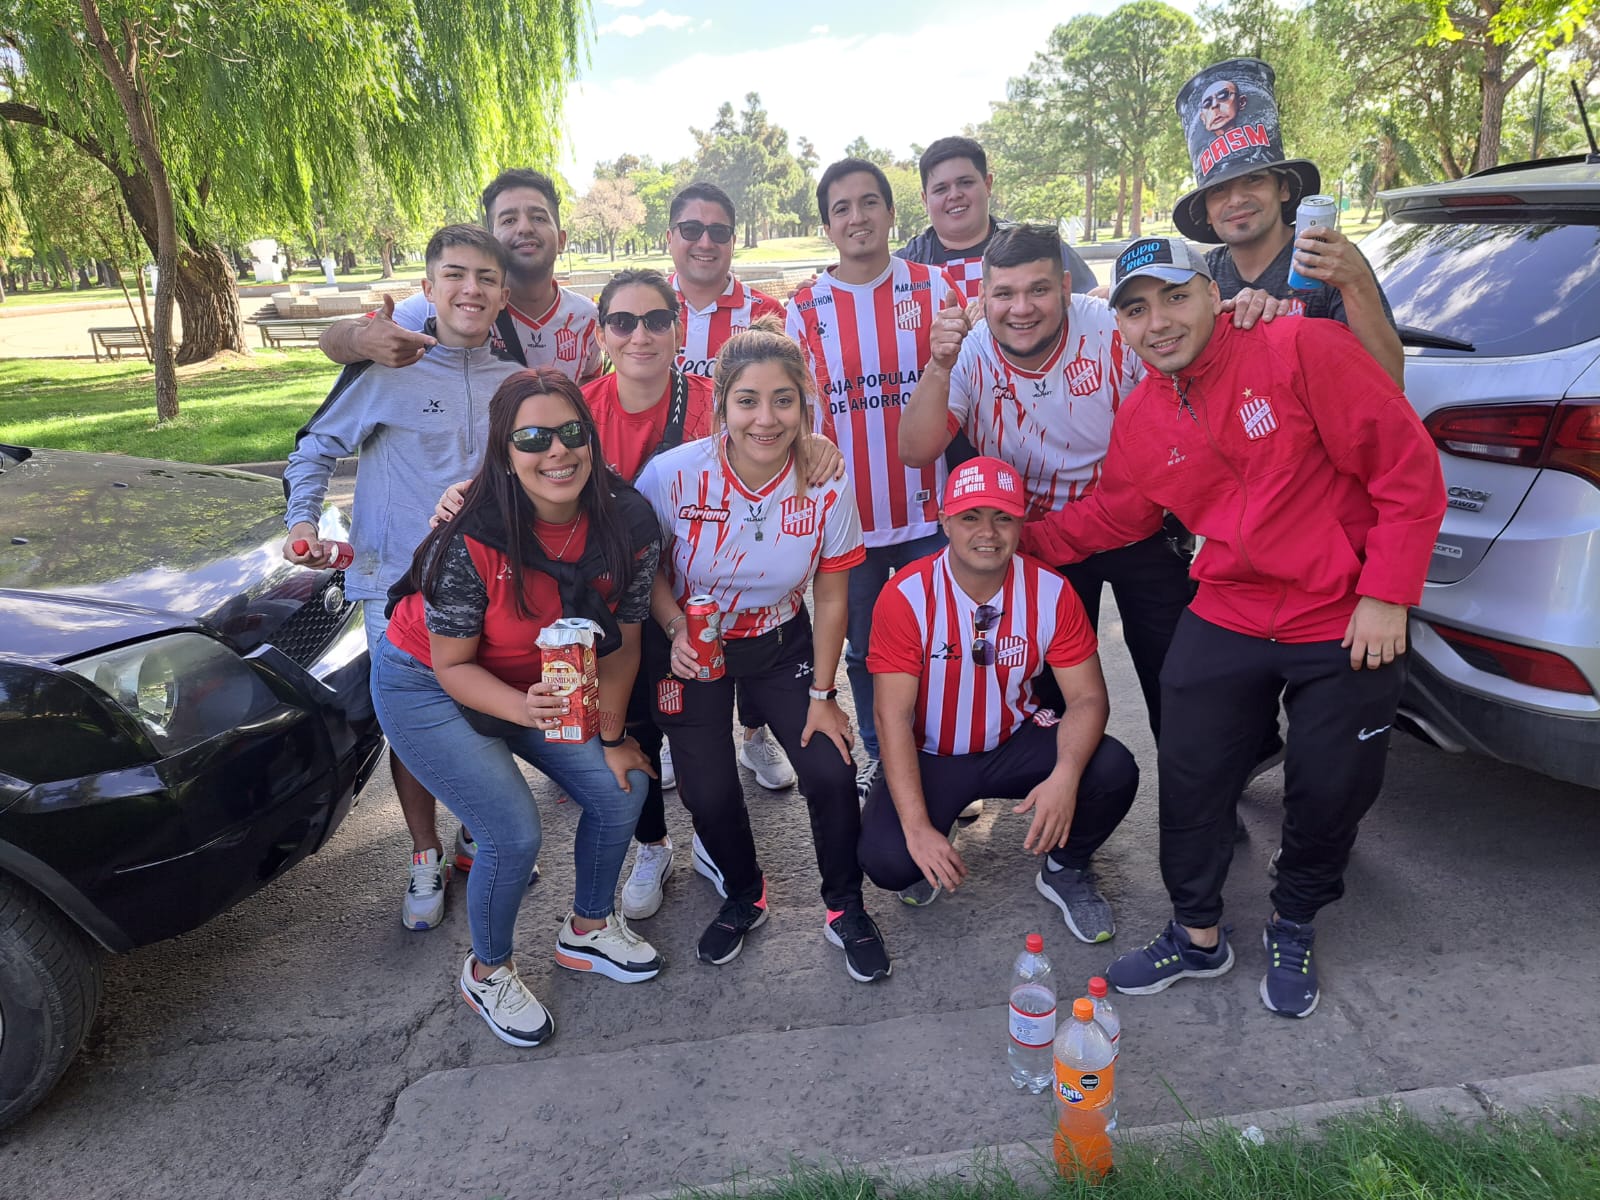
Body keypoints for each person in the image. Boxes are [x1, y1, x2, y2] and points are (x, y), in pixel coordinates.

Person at [1023, 238, 1445, 1018]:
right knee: (1190, 768)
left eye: (1174, 297)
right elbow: (1118, 510)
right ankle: (1197, 934)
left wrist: (1388, 593)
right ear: (1119, 326)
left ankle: (1295, 919)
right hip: (1231, 605)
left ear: (1213, 296)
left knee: (1330, 783)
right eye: (1136, 308)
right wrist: (1016, 544)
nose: (1158, 322)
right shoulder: (1146, 412)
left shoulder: (1298, 346)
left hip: (1342, 607)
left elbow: (1406, 467)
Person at [371, 368, 664, 1047]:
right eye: (532, 438)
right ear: (505, 452)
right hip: (429, 680)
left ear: (590, 440)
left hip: (540, 681)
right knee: (511, 832)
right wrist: (522, 712)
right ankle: (487, 969)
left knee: (625, 788)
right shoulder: (469, 537)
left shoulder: (628, 522)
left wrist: (614, 735)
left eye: (570, 433)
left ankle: (588, 929)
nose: (556, 452)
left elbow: (624, 642)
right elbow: (452, 665)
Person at [283, 223, 527, 932]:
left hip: (488, 590)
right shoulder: (388, 367)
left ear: (503, 295)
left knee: (488, 712)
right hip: (394, 587)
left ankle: (480, 832)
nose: (470, 289)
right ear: (429, 288)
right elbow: (313, 446)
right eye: (455, 275)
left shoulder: (513, 385)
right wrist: (304, 523)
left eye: (485, 278)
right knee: (413, 731)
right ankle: (424, 852)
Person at [635, 321, 891, 983]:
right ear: (720, 405)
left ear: (805, 404)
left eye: (784, 400)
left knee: (832, 770)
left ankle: (845, 906)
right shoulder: (672, 475)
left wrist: (824, 695)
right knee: (707, 789)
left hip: (782, 643)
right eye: (747, 400)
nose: (766, 418)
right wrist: (673, 627)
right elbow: (642, 569)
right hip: (694, 645)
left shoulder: (826, 478)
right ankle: (743, 894)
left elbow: (833, 595)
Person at [900, 223, 1190, 743]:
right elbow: (915, 450)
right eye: (1004, 294)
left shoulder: (1106, 325)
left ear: (1064, 287)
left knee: (1176, 681)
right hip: (1040, 538)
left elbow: (1179, 399)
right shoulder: (968, 352)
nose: (1022, 309)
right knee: (1048, 695)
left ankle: (1201, 816)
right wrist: (938, 366)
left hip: (1133, 525)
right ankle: (1064, 808)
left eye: (1038, 290)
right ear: (983, 297)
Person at [859, 456, 1139, 943]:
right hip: (932, 753)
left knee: (1113, 769)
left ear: (1020, 523)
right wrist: (918, 826)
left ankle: (1065, 868)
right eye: (971, 516)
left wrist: (1064, 778)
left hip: (1013, 739)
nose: (987, 532)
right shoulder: (907, 595)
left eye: (1003, 517)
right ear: (945, 521)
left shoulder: (1051, 591)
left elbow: (1089, 698)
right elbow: (891, 717)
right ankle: (935, 833)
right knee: (890, 862)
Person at [785, 157, 955, 798]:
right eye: (841, 208)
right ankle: (887, 760)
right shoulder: (804, 307)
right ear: (827, 224)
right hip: (847, 519)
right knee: (860, 652)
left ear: (890, 211)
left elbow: (962, 385)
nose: (856, 217)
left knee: (935, 644)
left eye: (868, 203)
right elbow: (793, 407)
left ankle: (937, 752)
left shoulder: (935, 289)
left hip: (927, 512)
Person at [664, 183, 799, 798]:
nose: (705, 242)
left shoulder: (767, 311)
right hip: (665, 494)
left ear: (734, 239)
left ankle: (754, 737)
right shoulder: (644, 308)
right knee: (675, 619)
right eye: (691, 229)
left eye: (719, 230)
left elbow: (796, 396)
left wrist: (813, 445)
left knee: (752, 609)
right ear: (671, 236)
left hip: (747, 492)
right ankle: (676, 739)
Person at [1173, 59, 1403, 387]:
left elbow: (1390, 381)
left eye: (1253, 179)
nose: (1236, 200)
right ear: (1207, 212)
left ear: (1283, 189)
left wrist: (1357, 284)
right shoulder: (1200, 276)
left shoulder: (1328, 260)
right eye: (1219, 190)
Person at [320, 168, 602, 381]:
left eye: (539, 217)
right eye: (508, 219)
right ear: (491, 237)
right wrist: (362, 341)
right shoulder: (448, 304)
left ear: (562, 239)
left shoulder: (586, 316)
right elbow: (331, 340)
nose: (525, 228)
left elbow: (590, 389)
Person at [896, 136, 1097, 301]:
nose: (954, 195)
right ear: (925, 199)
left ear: (988, 185)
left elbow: (1091, 309)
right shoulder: (901, 267)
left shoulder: (1043, 246)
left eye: (965, 183)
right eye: (941, 189)